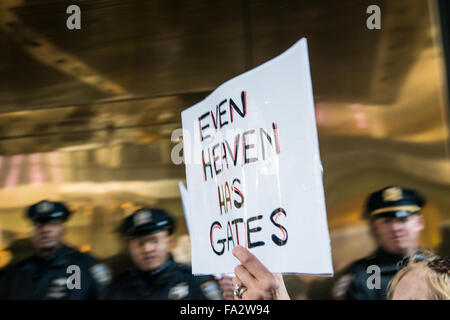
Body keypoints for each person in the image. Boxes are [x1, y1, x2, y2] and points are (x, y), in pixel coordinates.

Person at [104, 207, 232, 300]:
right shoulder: (117, 288)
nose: (148, 249)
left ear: (168, 241)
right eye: (140, 244)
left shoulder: (195, 281)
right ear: (129, 247)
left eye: (154, 240)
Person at [0, 200, 111, 300]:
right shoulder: (17, 273)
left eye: (53, 223)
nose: (45, 229)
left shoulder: (85, 267)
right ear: (32, 231)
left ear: (63, 228)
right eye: (39, 224)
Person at [332, 185, 427, 300]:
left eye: (403, 220)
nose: (395, 228)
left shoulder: (439, 270)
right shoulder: (359, 277)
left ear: (419, 223)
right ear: (374, 228)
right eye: (387, 221)